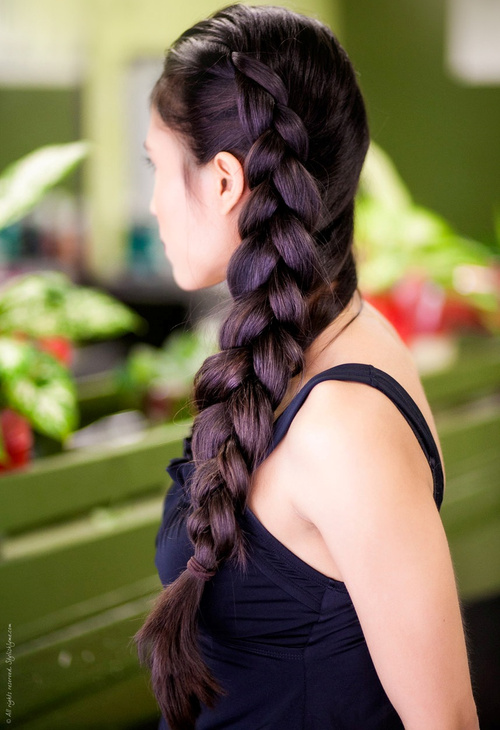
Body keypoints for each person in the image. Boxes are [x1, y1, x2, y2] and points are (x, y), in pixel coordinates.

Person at [134, 4, 479, 729]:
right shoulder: (324, 334)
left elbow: (444, 720)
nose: (156, 205)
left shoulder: (341, 426)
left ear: (225, 181)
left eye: (156, 169)